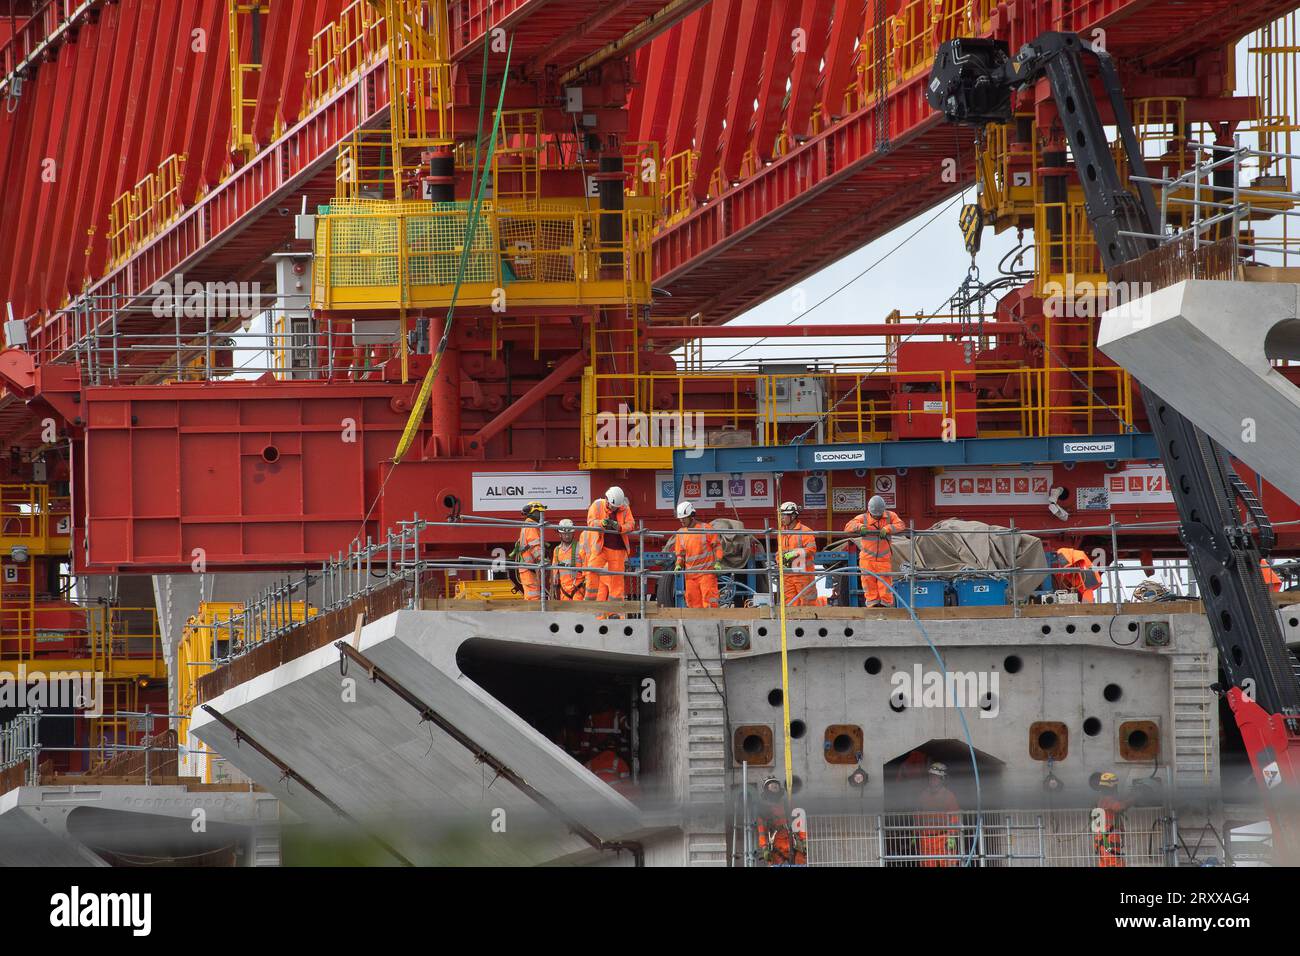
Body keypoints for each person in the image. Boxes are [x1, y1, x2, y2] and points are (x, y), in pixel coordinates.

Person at [844, 495, 904, 607]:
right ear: (869, 510)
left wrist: (888, 528)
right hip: (867, 559)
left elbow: (901, 525)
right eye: (875, 515)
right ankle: (872, 605)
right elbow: (848, 526)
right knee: (869, 584)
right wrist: (860, 527)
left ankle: (886, 606)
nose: (877, 517)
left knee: (885, 586)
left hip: (883, 559)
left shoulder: (891, 516)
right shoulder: (863, 518)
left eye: (879, 515)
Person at [585, 485, 635, 602]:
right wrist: (602, 523)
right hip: (601, 547)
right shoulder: (597, 505)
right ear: (607, 499)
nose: (615, 509)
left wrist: (619, 527)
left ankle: (615, 613)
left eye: (617, 507)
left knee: (617, 582)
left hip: (618, 550)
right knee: (592, 572)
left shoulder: (624, 508)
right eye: (613, 507)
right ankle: (588, 605)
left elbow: (631, 524)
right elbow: (590, 523)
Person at [672, 501, 723, 608]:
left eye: (684, 518)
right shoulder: (680, 533)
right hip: (691, 576)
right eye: (680, 518)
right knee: (693, 605)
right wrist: (678, 564)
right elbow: (680, 554)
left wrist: (718, 562)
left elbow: (717, 546)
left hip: (707, 574)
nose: (681, 520)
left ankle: (712, 624)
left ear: (691, 516)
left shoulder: (706, 529)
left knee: (710, 603)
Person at [916, 761, 961, 867]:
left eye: (935, 777)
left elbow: (954, 817)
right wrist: (915, 833)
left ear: (942, 779)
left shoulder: (949, 796)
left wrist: (952, 835)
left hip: (944, 837)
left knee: (947, 864)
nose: (932, 780)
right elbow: (917, 815)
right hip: (926, 839)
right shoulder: (923, 796)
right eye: (931, 777)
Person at [754, 777, 807, 866]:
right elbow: (761, 831)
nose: (775, 787)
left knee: (800, 864)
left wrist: (804, 841)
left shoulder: (788, 805)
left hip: (793, 844)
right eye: (772, 786)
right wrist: (764, 848)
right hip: (775, 847)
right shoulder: (764, 810)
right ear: (767, 790)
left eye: (776, 785)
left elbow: (799, 823)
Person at [778, 501, 818, 606]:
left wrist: (794, 553)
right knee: (789, 604)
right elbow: (780, 551)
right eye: (780, 515)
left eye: (784, 515)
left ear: (793, 516)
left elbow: (812, 549)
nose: (781, 518)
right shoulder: (781, 532)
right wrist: (779, 560)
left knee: (807, 605)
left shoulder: (805, 531)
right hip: (787, 575)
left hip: (803, 575)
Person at [1093, 771, 1130, 867]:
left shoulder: (1102, 800)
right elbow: (1120, 806)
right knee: (1116, 864)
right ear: (1113, 787)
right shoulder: (1106, 800)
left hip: (1106, 845)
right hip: (1108, 844)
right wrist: (1135, 797)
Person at [515, 501, 547, 601]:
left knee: (531, 596)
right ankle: (534, 615)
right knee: (533, 597)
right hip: (529, 567)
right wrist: (542, 559)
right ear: (534, 513)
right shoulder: (531, 526)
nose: (542, 515)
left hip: (528, 567)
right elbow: (535, 546)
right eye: (540, 513)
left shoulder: (529, 525)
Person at [552, 518, 584, 601]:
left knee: (578, 612)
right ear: (560, 534)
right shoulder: (557, 550)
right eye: (565, 533)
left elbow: (587, 568)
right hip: (564, 590)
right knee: (566, 613)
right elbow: (555, 572)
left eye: (569, 533)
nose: (567, 536)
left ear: (573, 533)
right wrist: (554, 586)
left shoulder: (580, 547)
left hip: (578, 588)